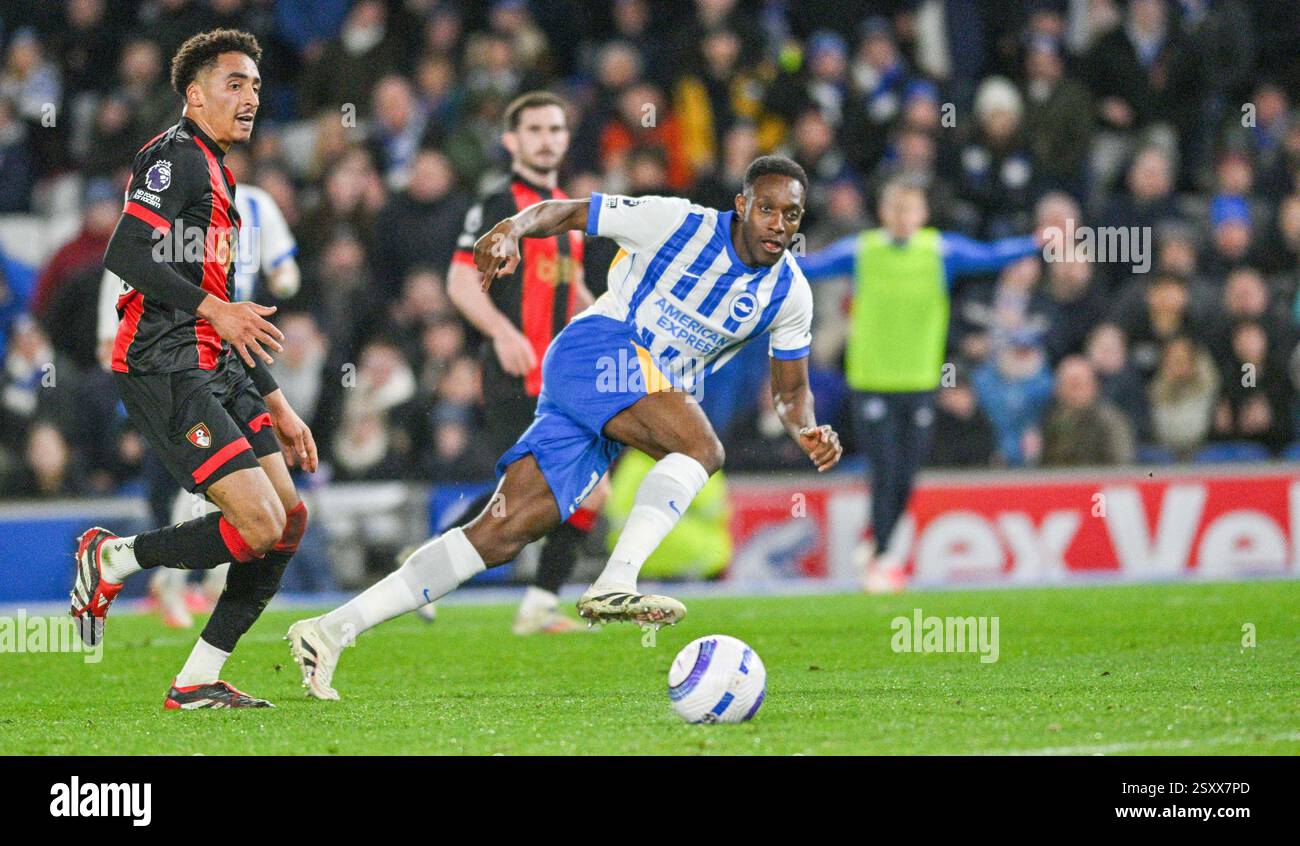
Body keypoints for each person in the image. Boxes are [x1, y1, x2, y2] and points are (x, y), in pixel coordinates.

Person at [287, 155, 843, 701]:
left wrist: (807, 429)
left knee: (500, 535)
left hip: (619, 395)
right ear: (742, 205)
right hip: (598, 350)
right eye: (766, 209)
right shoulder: (676, 221)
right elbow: (565, 211)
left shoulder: (789, 293)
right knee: (701, 448)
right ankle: (616, 580)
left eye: (790, 215)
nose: (777, 224)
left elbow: (790, 391)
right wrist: (510, 230)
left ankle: (330, 630)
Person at [68, 29, 319, 709]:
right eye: (234, 85)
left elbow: (230, 314)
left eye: (257, 87)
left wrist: (279, 405)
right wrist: (215, 306)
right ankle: (113, 558)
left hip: (214, 361)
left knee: (287, 524)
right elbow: (125, 250)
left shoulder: (219, 172)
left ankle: (197, 678)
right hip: (162, 363)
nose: (250, 99)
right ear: (195, 93)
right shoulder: (173, 156)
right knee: (261, 525)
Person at [798, 177, 1039, 593]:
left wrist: (1037, 242)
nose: (903, 218)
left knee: (907, 471)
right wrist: (763, 255)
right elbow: (810, 265)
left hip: (919, 380)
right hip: (872, 381)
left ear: (922, 214)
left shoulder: (940, 251)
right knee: (885, 466)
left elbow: (992, 256)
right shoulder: (864, 250)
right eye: (895, 209)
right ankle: (885, 557)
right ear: (883, 213)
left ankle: (878, 547)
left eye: (910, 210)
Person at [439, 90, 600, 635]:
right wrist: (504, 333)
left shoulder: (564, 210)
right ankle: (450, 571)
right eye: (534, 129)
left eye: (556, 129)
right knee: (548, 489)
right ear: (511, 141)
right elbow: (461, 280)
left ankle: (533, 603)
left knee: (575, 488)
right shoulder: (495, 203)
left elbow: (572, 289)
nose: (547, 139)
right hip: (514, 369)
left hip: (559, 376)